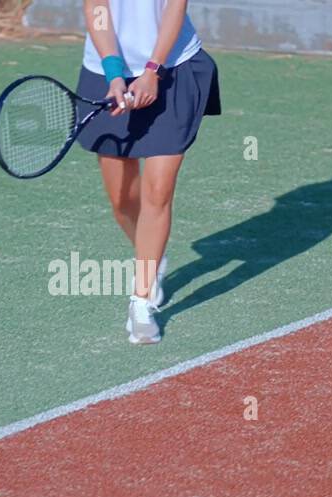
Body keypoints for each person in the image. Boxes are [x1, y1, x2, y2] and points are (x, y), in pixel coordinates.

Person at [78, 0, 221, 344]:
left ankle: (141, 302)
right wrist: (114, 73)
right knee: (122, 200)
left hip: (172, 68)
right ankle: (152, 258)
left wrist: (152, 71)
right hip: (106, 70)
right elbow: (96, 8)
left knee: (157, 192)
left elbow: (175, 7)